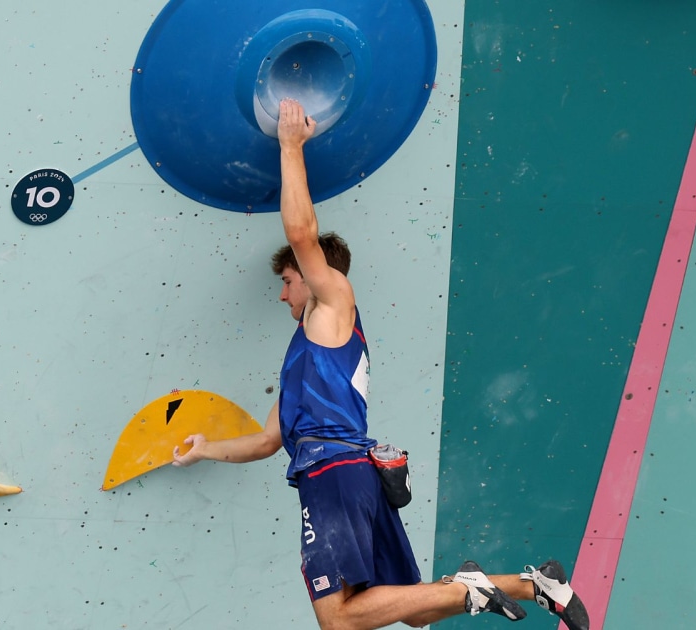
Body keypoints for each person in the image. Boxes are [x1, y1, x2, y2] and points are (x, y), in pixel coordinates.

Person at [172, 99, 589, 630]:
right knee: (413, 611)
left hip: (333, 474)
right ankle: (537, 585)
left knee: (337, 620)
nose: (281, 294)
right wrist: (204, 449)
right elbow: (266, 442)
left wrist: (291, 146)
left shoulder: (332, 303)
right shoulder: (307, 358)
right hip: (354, 473)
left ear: (316, 276)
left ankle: (467, 590)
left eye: (288, 280)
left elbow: (301, 235)